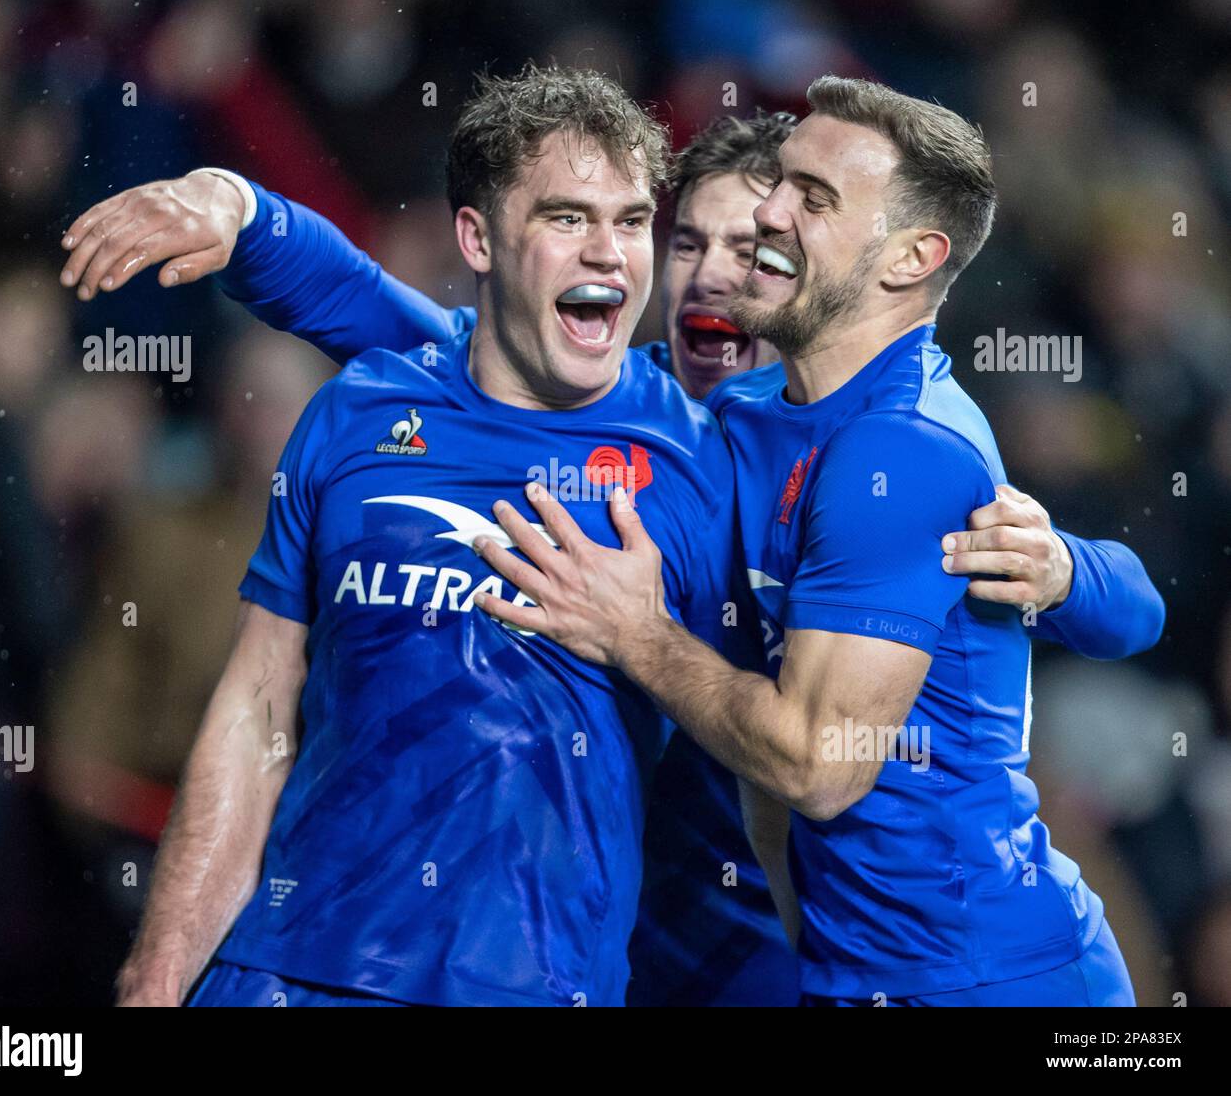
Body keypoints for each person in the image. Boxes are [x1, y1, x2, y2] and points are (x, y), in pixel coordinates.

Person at [61, 74, 1163, 1006]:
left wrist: (1073, 568)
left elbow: (991, 608)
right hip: (464, 952)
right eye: (689, 237)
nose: (723, 267)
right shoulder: (476, 409)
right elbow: (434, 340)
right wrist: (249, 218)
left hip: (796, 955)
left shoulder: (793, 455)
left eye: (767, 236)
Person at [468, 76, 1163, 1006]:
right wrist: (264, 232)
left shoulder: (905, 449)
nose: (768, 216)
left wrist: (633, 632)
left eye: (813, 198)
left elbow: (822, 766)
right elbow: (468, 352)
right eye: (779, 184)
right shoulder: (745, 416)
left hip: (990, 977)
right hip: (838, 968)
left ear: (913, 257)